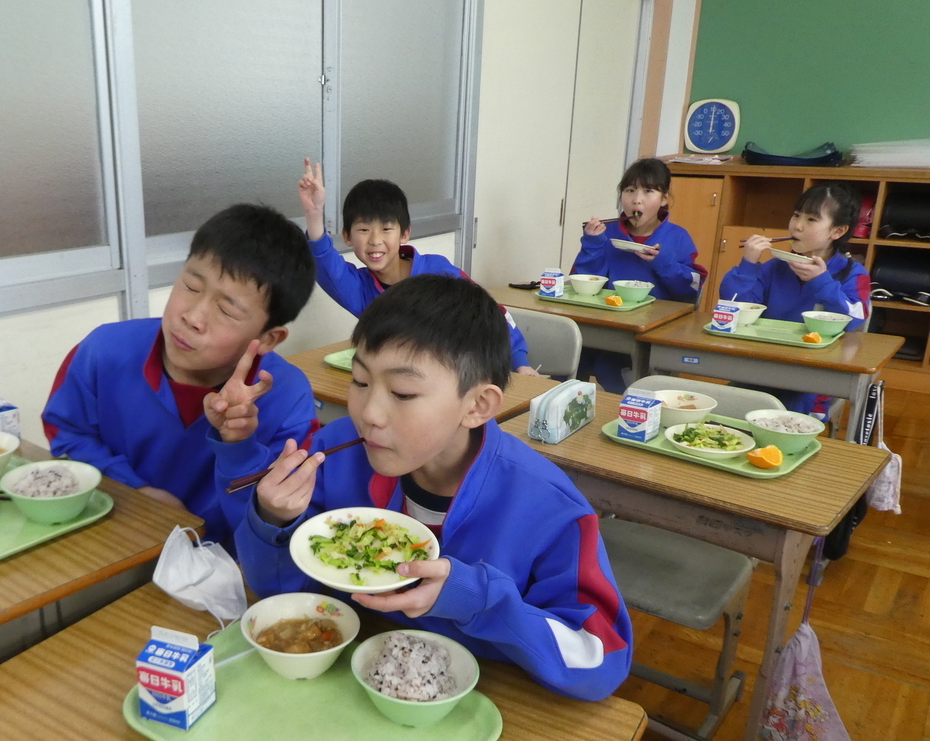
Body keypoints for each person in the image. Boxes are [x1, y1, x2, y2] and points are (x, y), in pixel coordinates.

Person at [235, 274, 632, 701]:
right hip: (352, 684)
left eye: (403, 393)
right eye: (360, 381)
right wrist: (272, 521)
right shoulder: (334, 453)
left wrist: (477, 599)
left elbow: (601, 661)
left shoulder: (548, 506)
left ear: (477, 405)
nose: (370, 414)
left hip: (487, 699)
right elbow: (278, 593)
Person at [42, 203, 318, 546]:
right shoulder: (104, 351)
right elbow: (66, 432)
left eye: (226, 310)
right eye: (190, 286)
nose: (193, 317)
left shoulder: (288, 397)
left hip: (224, 561)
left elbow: (279, 525)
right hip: (111, 541)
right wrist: (138, 491)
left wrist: (239, 447)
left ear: (267, 339)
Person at [297, 158, 538, 375]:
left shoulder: (439, 272)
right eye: (363, 229)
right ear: (347, 237)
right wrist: (314, 214)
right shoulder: (361, 289)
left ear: (405, 234)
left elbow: (489, 313)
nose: (375, 240)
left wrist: (520, 363)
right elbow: (327, 266)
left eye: (386, 229)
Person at [719, 181, 869, 414]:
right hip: (764, 364)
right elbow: (735, 307)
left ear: (837, 231)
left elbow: (854, 319)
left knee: (790, 416)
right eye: (796, 215)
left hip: (816, 375)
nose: (797, 226)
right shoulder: (776, 266)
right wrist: (748, 265)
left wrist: (822, 281)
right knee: (727, 407)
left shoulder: (852, 273)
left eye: (811, 219)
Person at [573, 157, 706, 392]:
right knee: (572, 355)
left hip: (652, 332)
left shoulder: (677, 237)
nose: (637, 199)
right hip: (606, 324)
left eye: (648, 191)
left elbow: (690, 291)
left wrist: (664, 263)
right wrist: (592, 245)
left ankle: (626, 409)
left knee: (608, 367)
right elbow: (582, 283)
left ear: (664, 199)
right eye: (630, 190)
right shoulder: (607, 233)